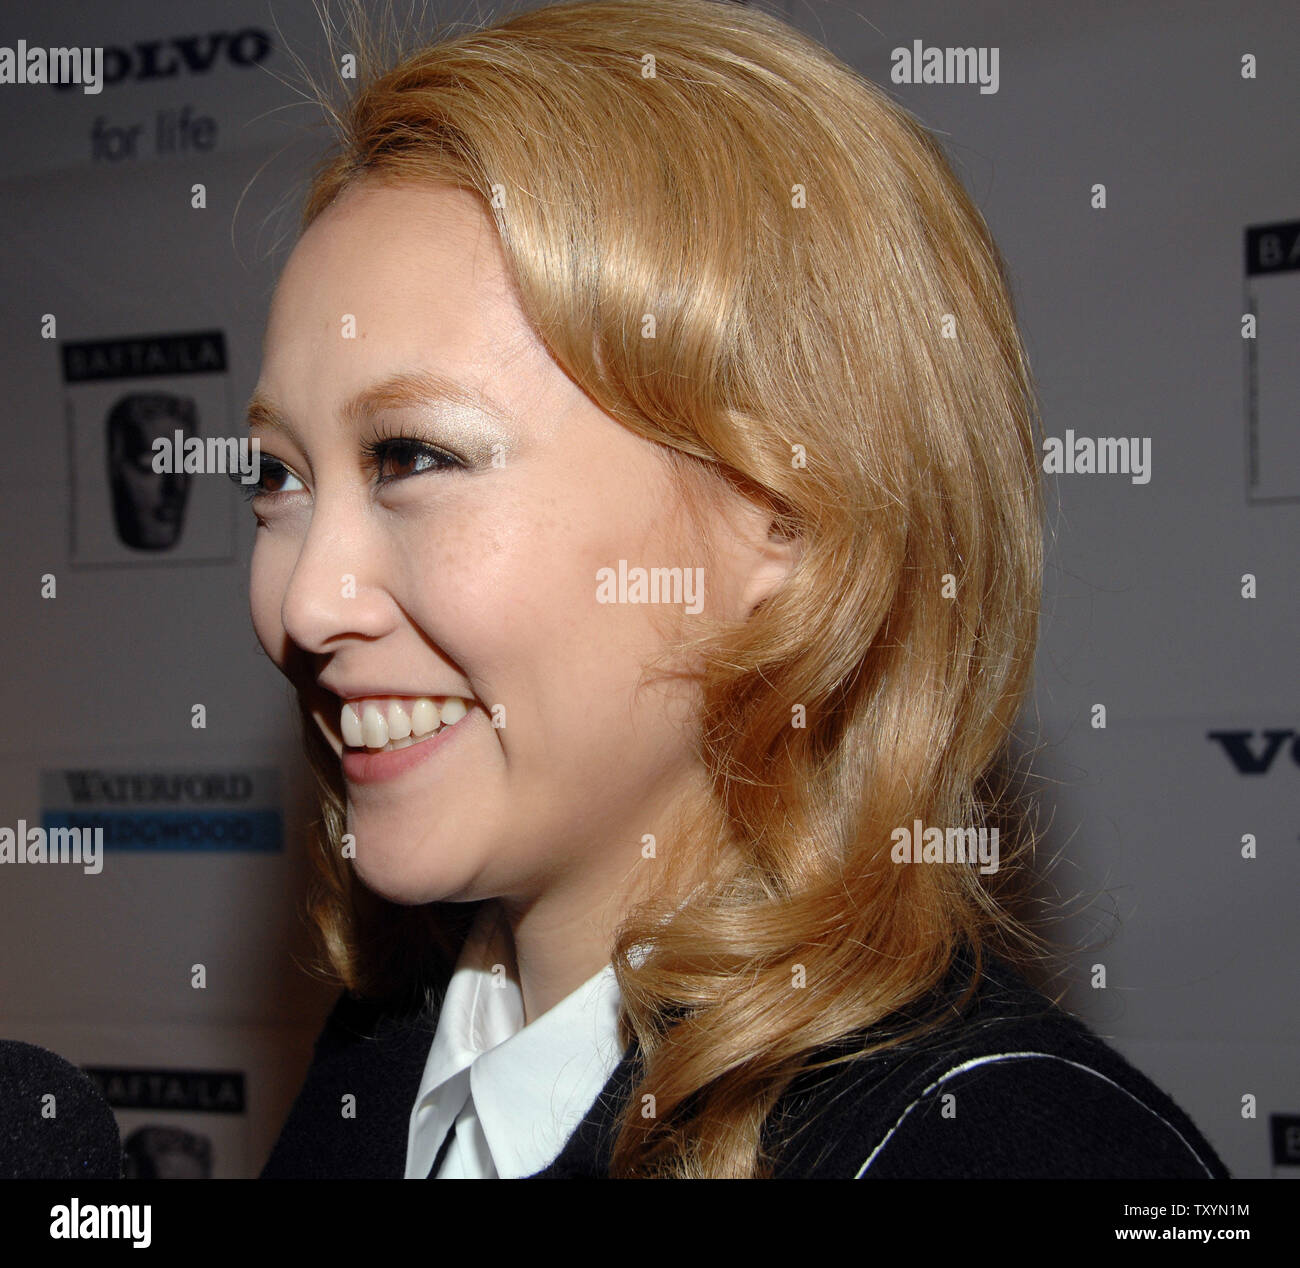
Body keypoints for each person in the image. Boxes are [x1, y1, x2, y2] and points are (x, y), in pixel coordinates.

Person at [246, 0, 1228, 1179]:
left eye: (412, 456)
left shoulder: (1005, 1147)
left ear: (789, 515)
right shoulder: (384, 1055)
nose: (307, 601)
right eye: (278, 476)